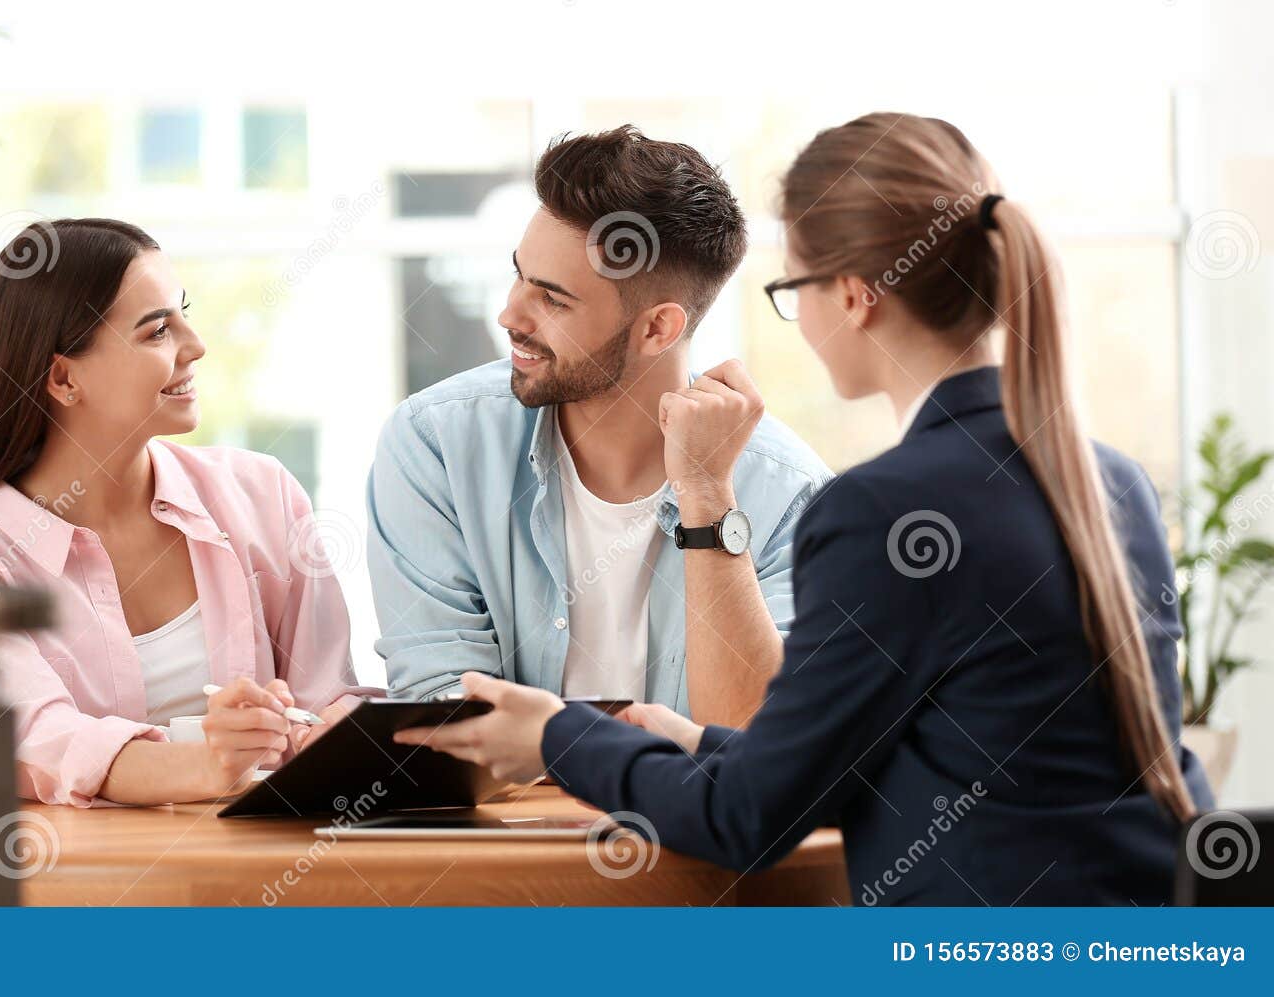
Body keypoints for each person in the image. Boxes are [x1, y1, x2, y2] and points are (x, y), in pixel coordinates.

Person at [397, 113, 1214, 905]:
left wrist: (557, 734)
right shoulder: (1113, 482)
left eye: (794, 289)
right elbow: (933, 759)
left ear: (856, 295)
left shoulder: (876, 508)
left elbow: (750, 818)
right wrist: (700, 745)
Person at [367, 126, 830, 725]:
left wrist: (707, 495)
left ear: (657, 330)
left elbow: (762, 740)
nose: (509, 314)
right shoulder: (437, 444)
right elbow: (439, 703)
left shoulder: (790, 495)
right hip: (497, 822)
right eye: (518, 276)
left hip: (688, 821)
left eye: (553, 300)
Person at [0, 218, 367, 808]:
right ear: (63, 377)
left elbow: (331, 697)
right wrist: (207, 762)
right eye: (157, 331)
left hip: (270, 879)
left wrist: (315, 731)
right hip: (83, 893)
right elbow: (37, 741)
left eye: (184, 314)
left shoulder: (263, 495)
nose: (196, 346)